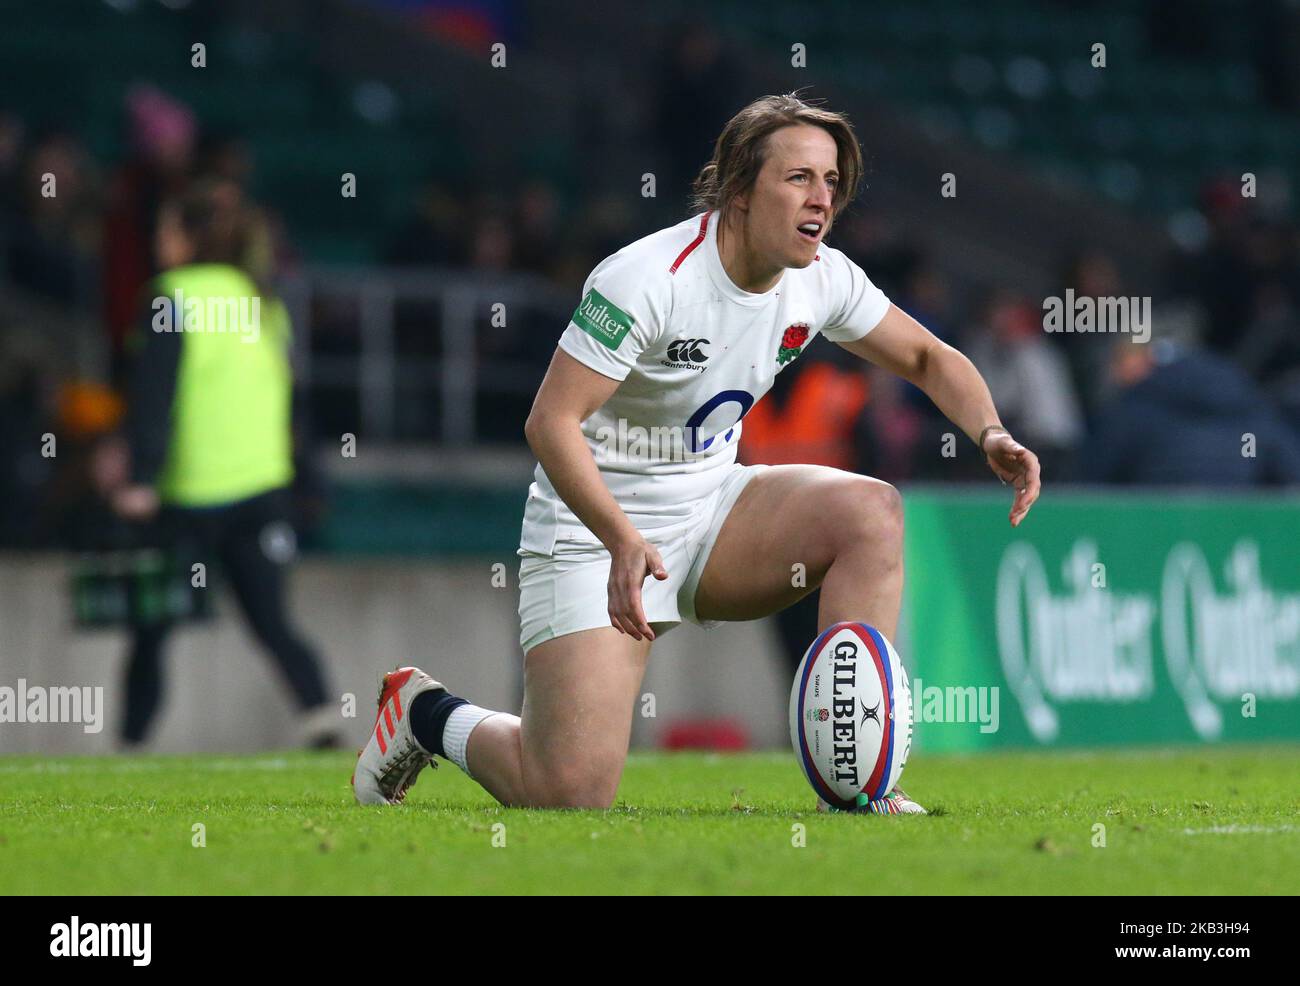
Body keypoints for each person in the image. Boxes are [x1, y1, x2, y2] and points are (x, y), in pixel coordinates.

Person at [351, 94, 1041, 810]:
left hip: (714, 512)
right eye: (799, 178)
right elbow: (550, 423)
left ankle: (857, 783)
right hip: (595, 534)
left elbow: (928, 357)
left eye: (831, 181)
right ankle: (424, 712)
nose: (822, 199)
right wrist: (620, 538)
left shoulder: (821, 277)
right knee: (566, 791)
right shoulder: (646, 279)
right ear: (740, 190)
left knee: (870, 512)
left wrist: (990, 431)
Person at [108, 180, 338, 748]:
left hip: (189, 491)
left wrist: (140, 478)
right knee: (273, 623)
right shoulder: (264, 300)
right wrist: (306, 480)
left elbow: (153, 394)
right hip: (261, 490)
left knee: (152, 629)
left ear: (187, 236)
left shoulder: (170, 295)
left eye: (165, 228)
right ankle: (325, 725)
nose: (158, 239)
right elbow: (291, 403)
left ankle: (131, 745)